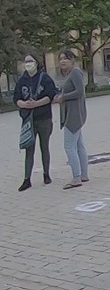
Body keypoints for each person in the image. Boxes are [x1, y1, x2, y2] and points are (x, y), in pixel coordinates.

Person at [14, 54, 58, 192]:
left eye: (30, 61)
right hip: (29, 120)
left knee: (44, 146)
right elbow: (16, 98)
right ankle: (27, 179)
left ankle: (46, 174)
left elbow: (50, 95)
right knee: (29, 149)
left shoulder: (44, 78)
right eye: (26, 61)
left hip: (44, 118)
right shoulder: (22, 80)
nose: (28, 64)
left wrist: (36, 104)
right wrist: (24, 104)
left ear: (36, 62)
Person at [54, 51, 89, 189]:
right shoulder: (70, 74)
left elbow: (80, 91)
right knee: (79, 145)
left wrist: (63, 97)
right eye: (61, 59)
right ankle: (83, 174)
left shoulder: (75, 73)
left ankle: (76, 177)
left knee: (69, 146)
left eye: (66, 59)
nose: (63, 61)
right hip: (72, 113)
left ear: (72, 60)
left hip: (74, 115)